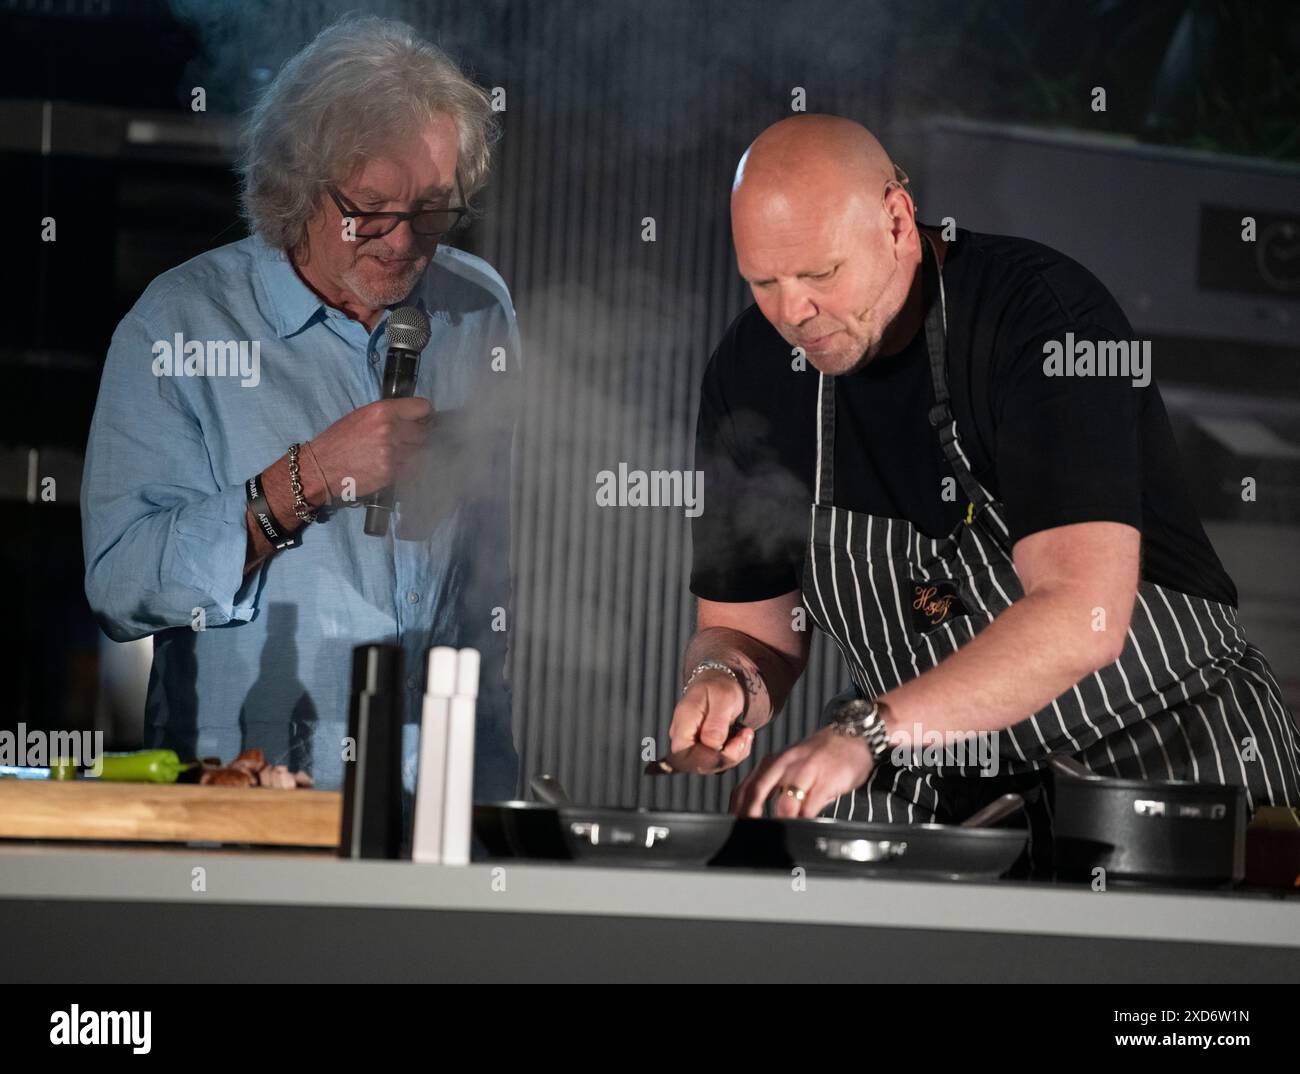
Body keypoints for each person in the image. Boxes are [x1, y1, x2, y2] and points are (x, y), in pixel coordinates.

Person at [669, 114, 1300, 861]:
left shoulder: (1046, 320)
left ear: (897, 219)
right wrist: (723, 678)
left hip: (1169, 772)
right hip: (959, 816)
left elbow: (1080, 615)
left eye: (821, 274)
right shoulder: (750, 371)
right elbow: (750, 629)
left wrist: (865, 731)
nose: (792, 311)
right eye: (763, 282)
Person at [81, 16, 521, 803]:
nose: (401, 240)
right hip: (253, 803)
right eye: (370, 208)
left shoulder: (479, 308)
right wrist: (308, 477)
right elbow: (120, 586)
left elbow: (495, 576)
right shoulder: (180, 324)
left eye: (433, 208)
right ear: (296, 182)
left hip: (449, 803)